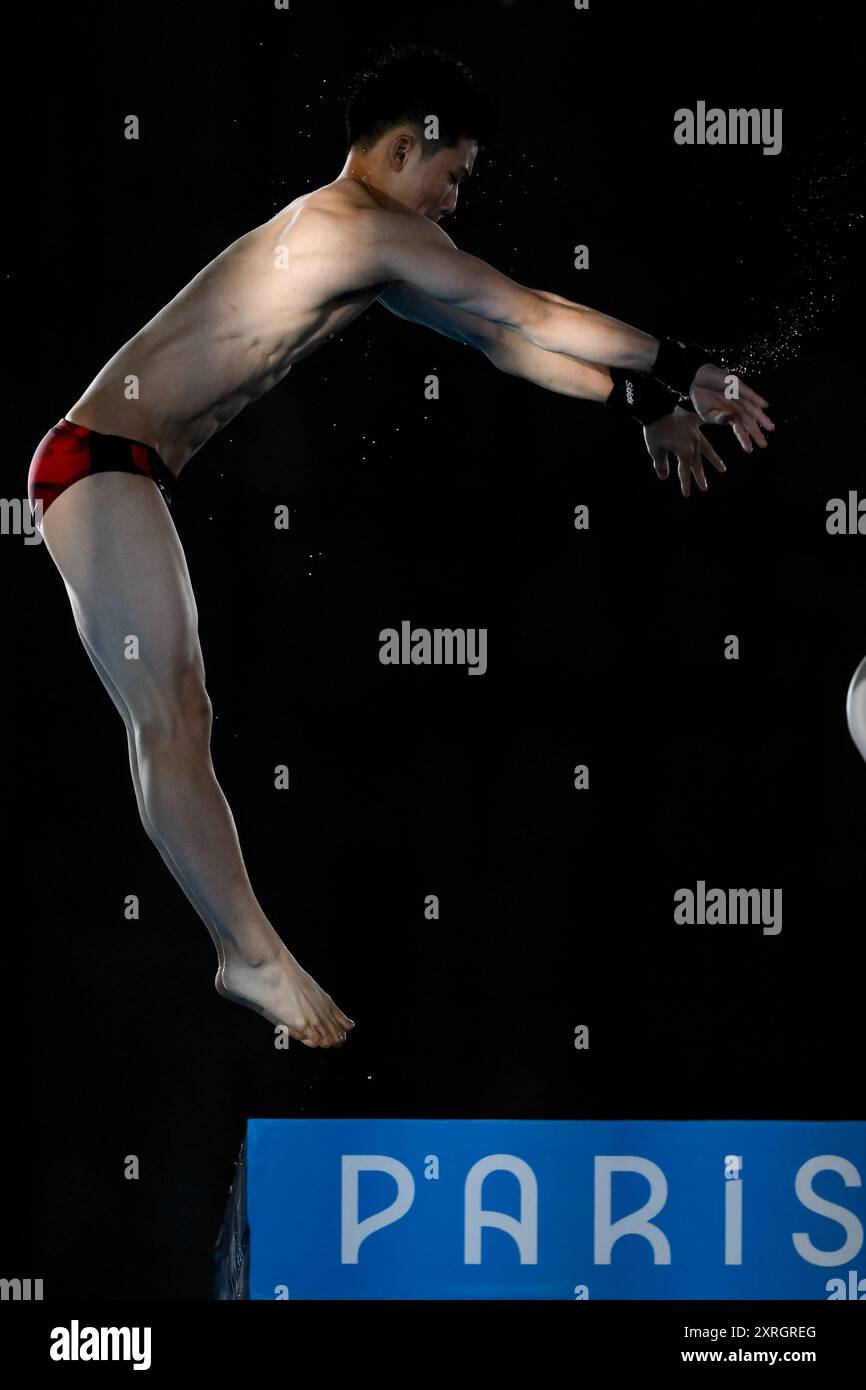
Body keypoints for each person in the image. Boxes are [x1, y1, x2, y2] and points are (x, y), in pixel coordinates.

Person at [28, 43, 775, 1049]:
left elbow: (499, 342)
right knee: (171, 713)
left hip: (111, 466)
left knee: (178, 711)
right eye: (452, 175)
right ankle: (246, 952)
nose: (455, 203)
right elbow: (528, 308)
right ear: (400, 148)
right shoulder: (360, 227)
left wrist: (642, 402)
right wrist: (686, 367)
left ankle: (246, 950)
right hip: (95, 462)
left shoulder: (363, 248)